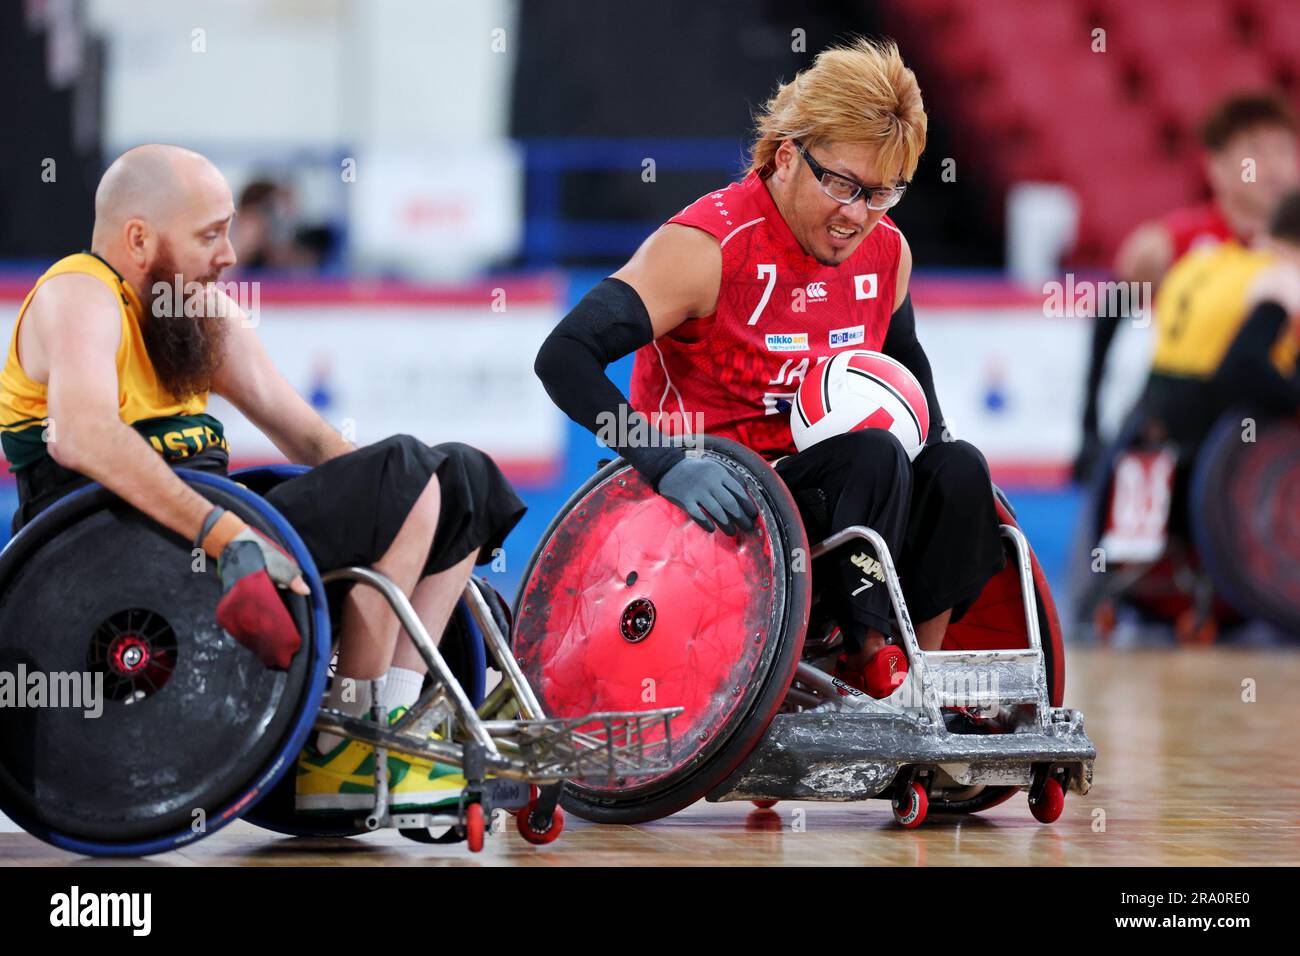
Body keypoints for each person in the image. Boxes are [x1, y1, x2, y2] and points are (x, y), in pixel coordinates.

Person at [0, 144, 527, 813]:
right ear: (138, 239)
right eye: (210, 235)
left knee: (461, 474)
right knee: (406, 474)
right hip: (116, 560)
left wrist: (429, 521)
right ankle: (345, 751)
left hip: (213, 536)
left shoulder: (194, 314)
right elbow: (81, 435)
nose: (230, 255)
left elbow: (309, 437)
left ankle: (391, 730)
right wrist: (224, 534)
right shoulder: (79, 292)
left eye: (229, 230)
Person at [534, 39, 1005, 699]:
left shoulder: (886, 251)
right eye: (841, 184)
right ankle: (873, 658)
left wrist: (941, 439)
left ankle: (918, 684)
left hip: (830, 505)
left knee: (959, 470)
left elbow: (907, 362)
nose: (856, 215)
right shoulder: (706, 248)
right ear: (788, 157)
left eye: (881, 194)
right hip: (713, 512)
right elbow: (564, 356)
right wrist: (662, 458)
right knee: (871, 456)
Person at [1074, 92, 1299, 481]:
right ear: (1216, 166)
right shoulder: (1170, 245)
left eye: (1285, 152)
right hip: (1189, 431)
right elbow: (1108, 321)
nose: (1276, 168)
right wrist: (1090, 426)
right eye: (1257, 153)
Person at [1123, 188, 1300, 536]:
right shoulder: (1282, 276)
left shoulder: (1200, 263)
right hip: (1213, 453)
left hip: (1153, 431)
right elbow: (1242, 367)